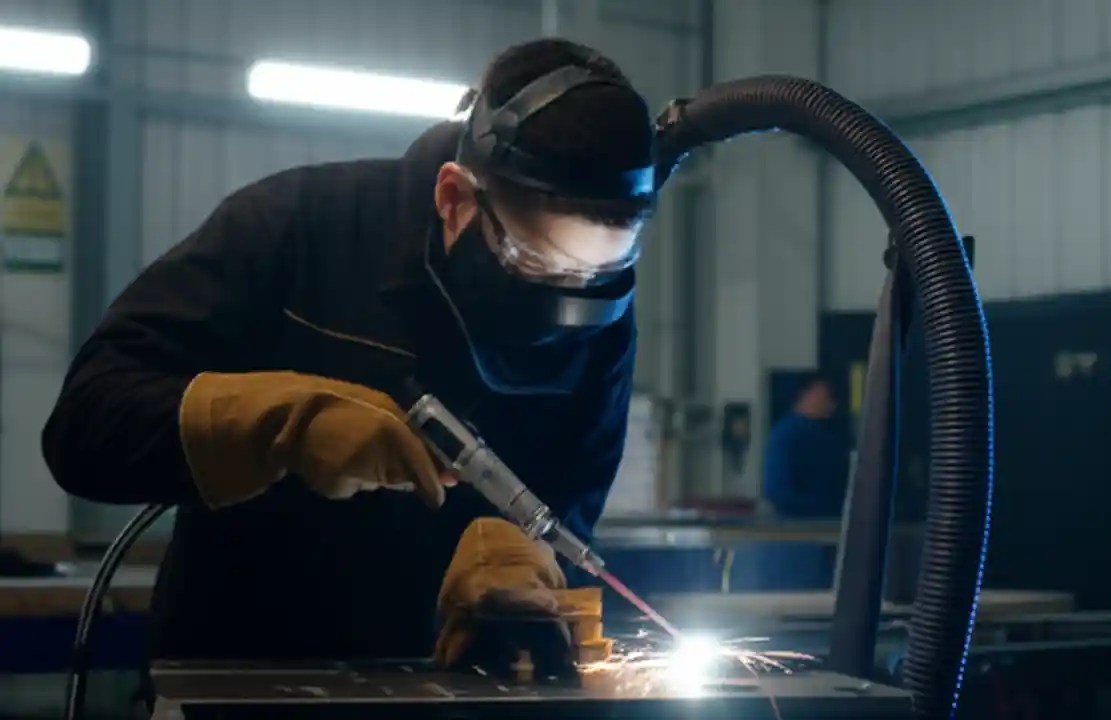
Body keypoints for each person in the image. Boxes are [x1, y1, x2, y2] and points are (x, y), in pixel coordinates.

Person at [42, 39, 655, 678]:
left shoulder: (599, 309)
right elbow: (85, 422)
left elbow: (568, 495)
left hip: (450, 685)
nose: (565, 303)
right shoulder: (296, 228)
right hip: (240, 676)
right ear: (454, 199)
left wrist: (519, 561)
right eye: (533, 262)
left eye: (598, 273)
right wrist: (278, 423)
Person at [762, 373, 849, 519]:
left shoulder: (827, 435)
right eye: (825, 395)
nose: (831, 403)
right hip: (800, 527)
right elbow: (778, 491)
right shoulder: (787, 433)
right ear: (806, 395)